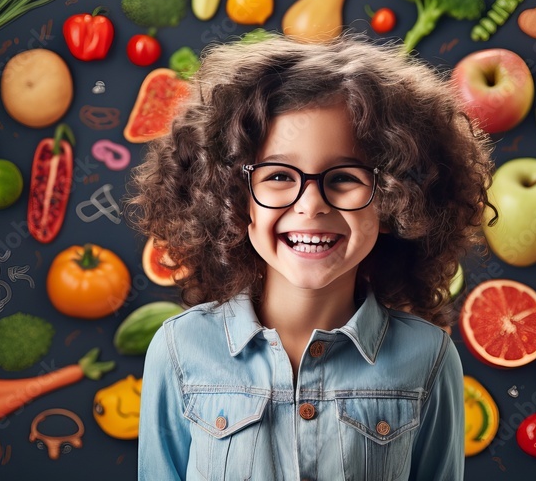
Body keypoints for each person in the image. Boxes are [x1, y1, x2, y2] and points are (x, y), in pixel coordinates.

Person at [129, 32, 494, 481]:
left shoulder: (429, 358)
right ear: (233, 200)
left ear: (396, 199)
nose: (311, 205)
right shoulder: (179, 349)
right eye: (279, 175)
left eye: (344, 177)